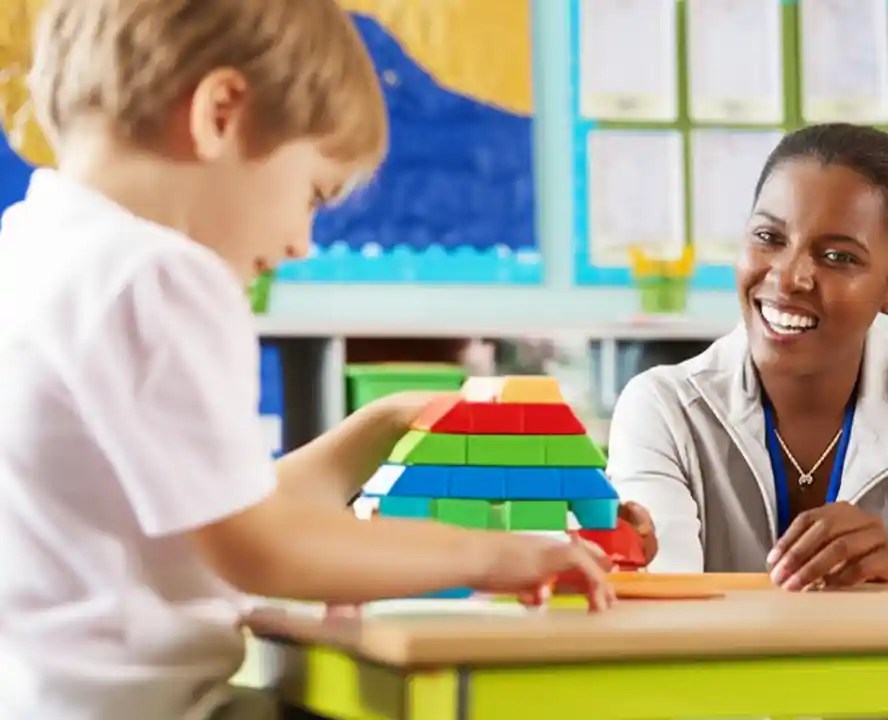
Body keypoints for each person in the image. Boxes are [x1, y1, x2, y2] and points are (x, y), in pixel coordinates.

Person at [0, 1, 613, 718]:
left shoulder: (35, 252)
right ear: (221, 113)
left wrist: (380, 425)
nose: (300, 242)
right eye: (313, 195)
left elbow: (221, 508)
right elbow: (262, 547)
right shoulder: (160, 276)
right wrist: (497, 555)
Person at [608, 124, 888, 592]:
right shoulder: (663, 406)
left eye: (838, 257)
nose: (789, 277)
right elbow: (659, 588)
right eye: (768, 236)